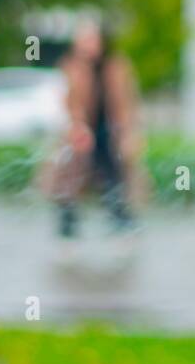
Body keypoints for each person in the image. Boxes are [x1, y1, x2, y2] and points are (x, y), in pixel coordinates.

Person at [39, 17, 148, 246]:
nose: (87, 44)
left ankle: (123, 230)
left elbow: (128, 101)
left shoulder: (116, 65)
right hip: (79, 136)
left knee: (115, 181)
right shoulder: (71, 66)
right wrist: (76, 126)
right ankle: (66, 234)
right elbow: (68, 102)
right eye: (83, 39)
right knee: (68, 185)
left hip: (110, 136)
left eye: (91, 39)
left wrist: (131, 132)